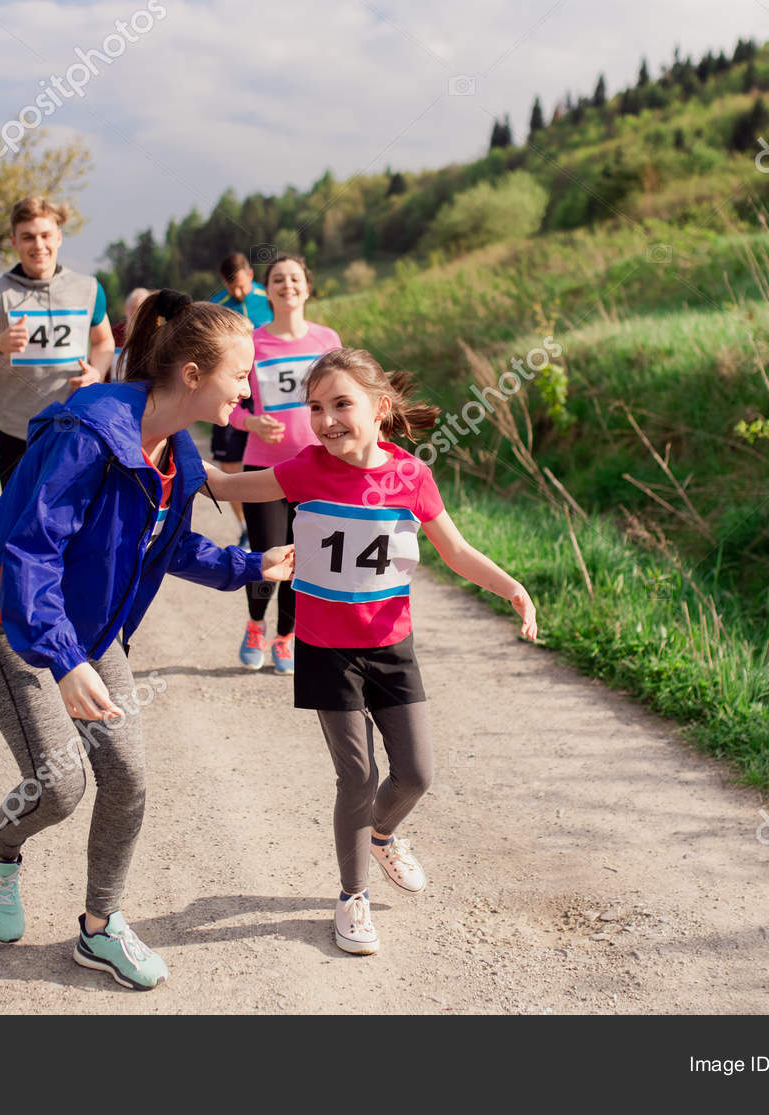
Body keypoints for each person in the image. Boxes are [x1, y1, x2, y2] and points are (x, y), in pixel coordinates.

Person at [0, 290, 295, 990]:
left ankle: (98, 926)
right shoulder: (89, 432)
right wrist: (65, 657)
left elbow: (166, 543)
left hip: (84, 626)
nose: (248, 387)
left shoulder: (177, 451)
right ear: (195, 374)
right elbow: (30, 552)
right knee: (62, 786)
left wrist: (247, 567)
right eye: (241, 373)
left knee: (129, 779)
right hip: (9, 621)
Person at [205, 347, 537, 956]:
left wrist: (512, 587)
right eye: (315, 407)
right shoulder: (304, 469)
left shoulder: (411, 475)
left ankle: (383, 835)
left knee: (416, 773)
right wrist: (164, 439)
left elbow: (457, 553)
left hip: (390, 647)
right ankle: (351, 897)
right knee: (356, 775)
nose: (326, 419)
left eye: (340, 404)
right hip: (326, 649)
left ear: (380, 409)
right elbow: (224, 483)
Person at [224, 253, 340, 675]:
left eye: (294, 278)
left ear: (307, 287)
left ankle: (286, 638)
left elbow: (344, 400)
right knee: (266, 555)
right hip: (265, 471)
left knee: (303, 559)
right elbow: (230, 403)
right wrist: (250, 421)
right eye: (277, 279)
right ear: (266, 290)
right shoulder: (253, 342)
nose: (287, 285)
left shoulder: (327, 340)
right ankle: (256, 624)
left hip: (318, 469)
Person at [0, 196, 115, 488]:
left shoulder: (88, 289)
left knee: (76, 527)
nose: (38, 245)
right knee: (19, 530)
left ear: (59, 237)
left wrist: (97, 372)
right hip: (20, 436)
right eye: (28, 237)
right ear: (14, 241)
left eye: (45, 235)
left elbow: (104, 342)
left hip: (78, 429)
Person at [208, 254, 271, 547]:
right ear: (224, 282)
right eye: (231, 287)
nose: (237, 293)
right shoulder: (218, 306)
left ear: (249, 274)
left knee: (268, 457)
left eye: (242, 286)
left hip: (267, 390)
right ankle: (245, 525)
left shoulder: (268, 296)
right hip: (233, 391)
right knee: (230, 461)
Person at [111, 287, 151, 377]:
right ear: (126, 309)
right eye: (134, 307)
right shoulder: (113, 334)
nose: (137, 313)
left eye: (143, 308)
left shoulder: (155, 336)